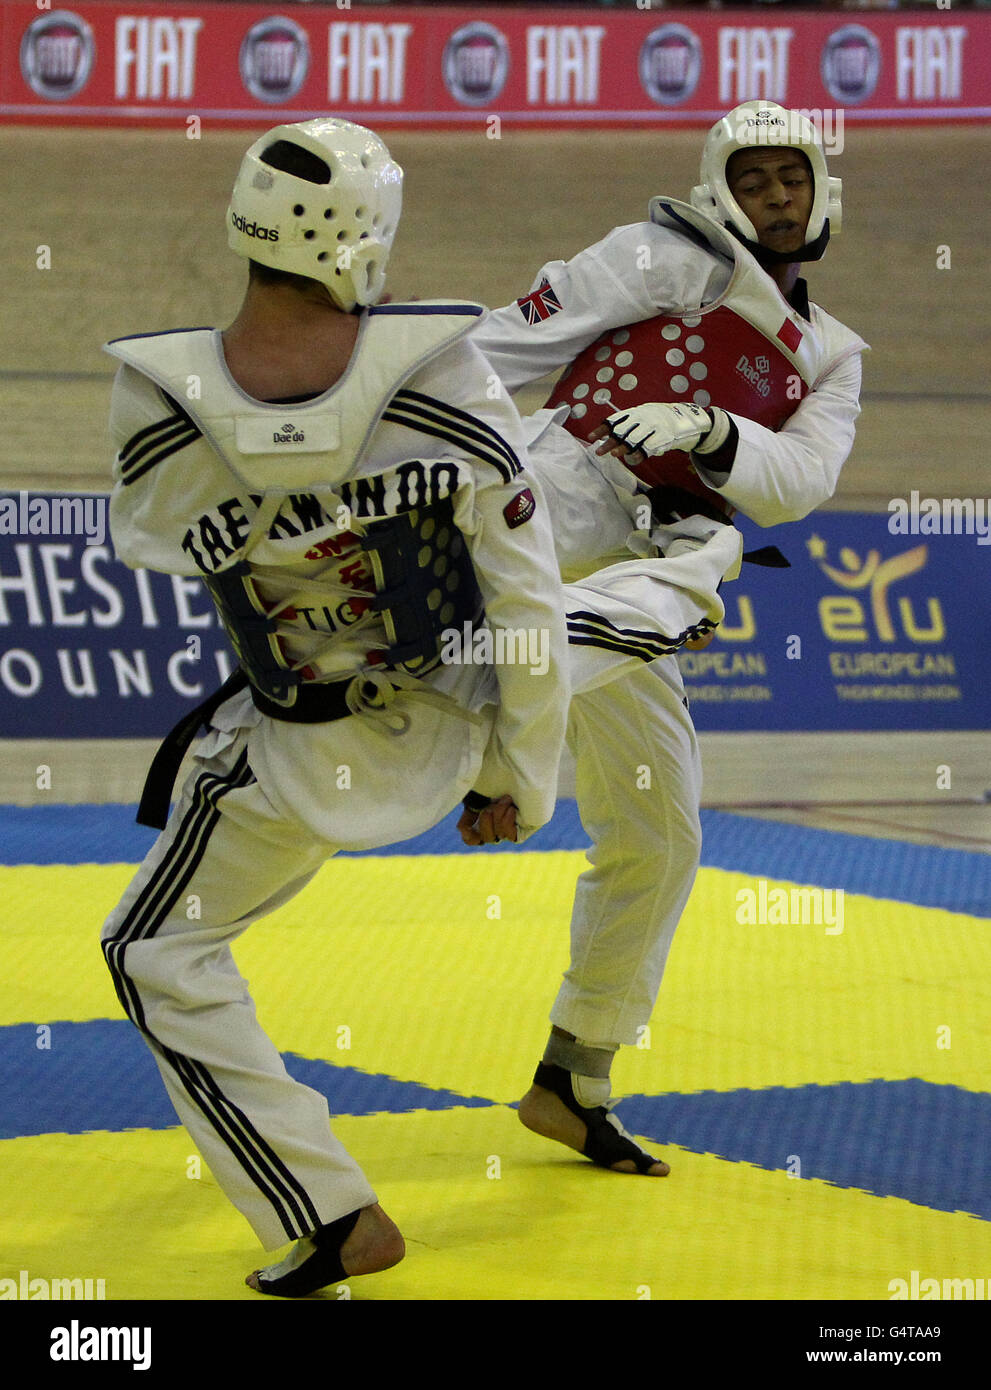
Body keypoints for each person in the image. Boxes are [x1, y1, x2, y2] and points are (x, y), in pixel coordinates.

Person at [99, 117, 743, 1297]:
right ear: (366, 246)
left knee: (152, 949)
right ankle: (689, 574)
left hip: (297, 753)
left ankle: (326, 1212)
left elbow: (161, 544)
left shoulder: (151, 410)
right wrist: (519, 779)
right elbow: (527, 604)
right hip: (454, 716)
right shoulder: (445, 383)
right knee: (573, 626)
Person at [471, 101, 868, 1177]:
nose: (776, 199)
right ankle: (492, 749)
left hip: (660, 554)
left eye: (792, 178)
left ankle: (572, 1075)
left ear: (821, 189)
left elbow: (795, 483)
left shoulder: (831, 356)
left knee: (660, 832)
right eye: (753, 182)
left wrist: (713, 432)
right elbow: (504, 341)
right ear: (715, 190)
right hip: (557, 487)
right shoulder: (657, 254)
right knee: (590, 626)